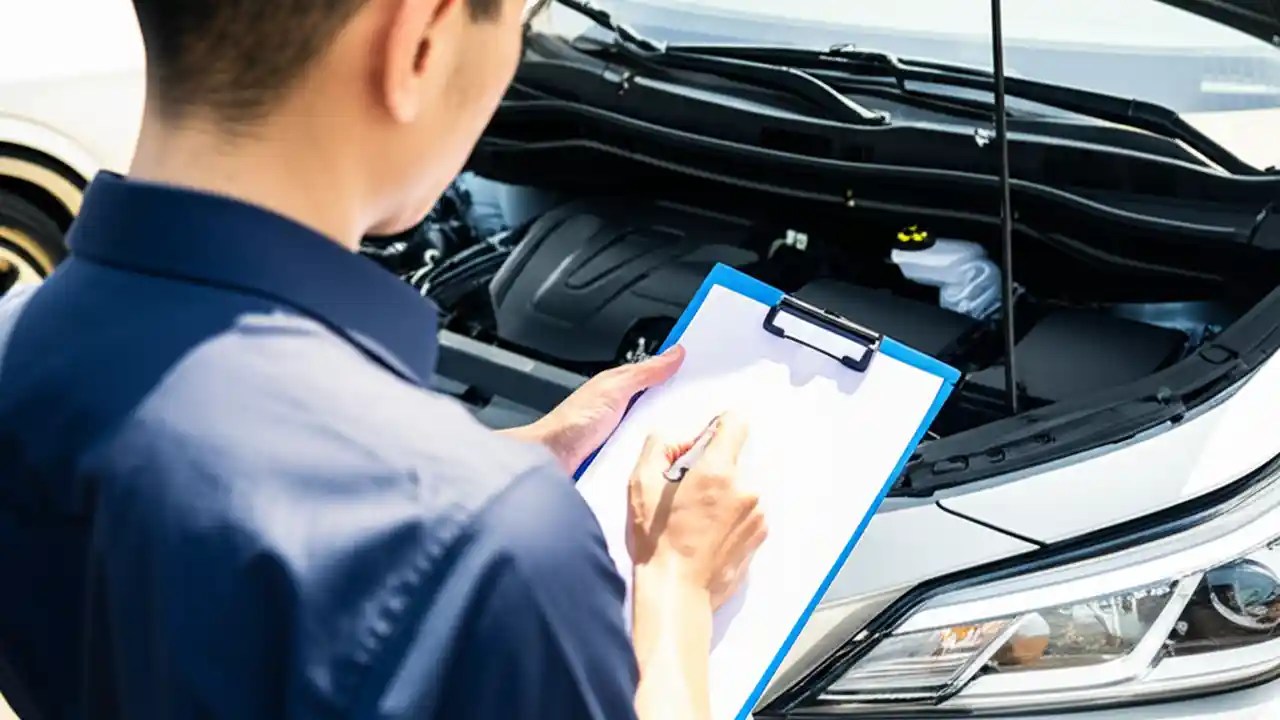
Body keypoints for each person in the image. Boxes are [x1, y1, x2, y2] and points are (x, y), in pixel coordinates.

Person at [0, 1, 768, 719]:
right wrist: (678, 590)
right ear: (419, 41)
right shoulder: (496, 546)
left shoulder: (17, 342)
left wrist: (521, 455)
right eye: (522, 26)